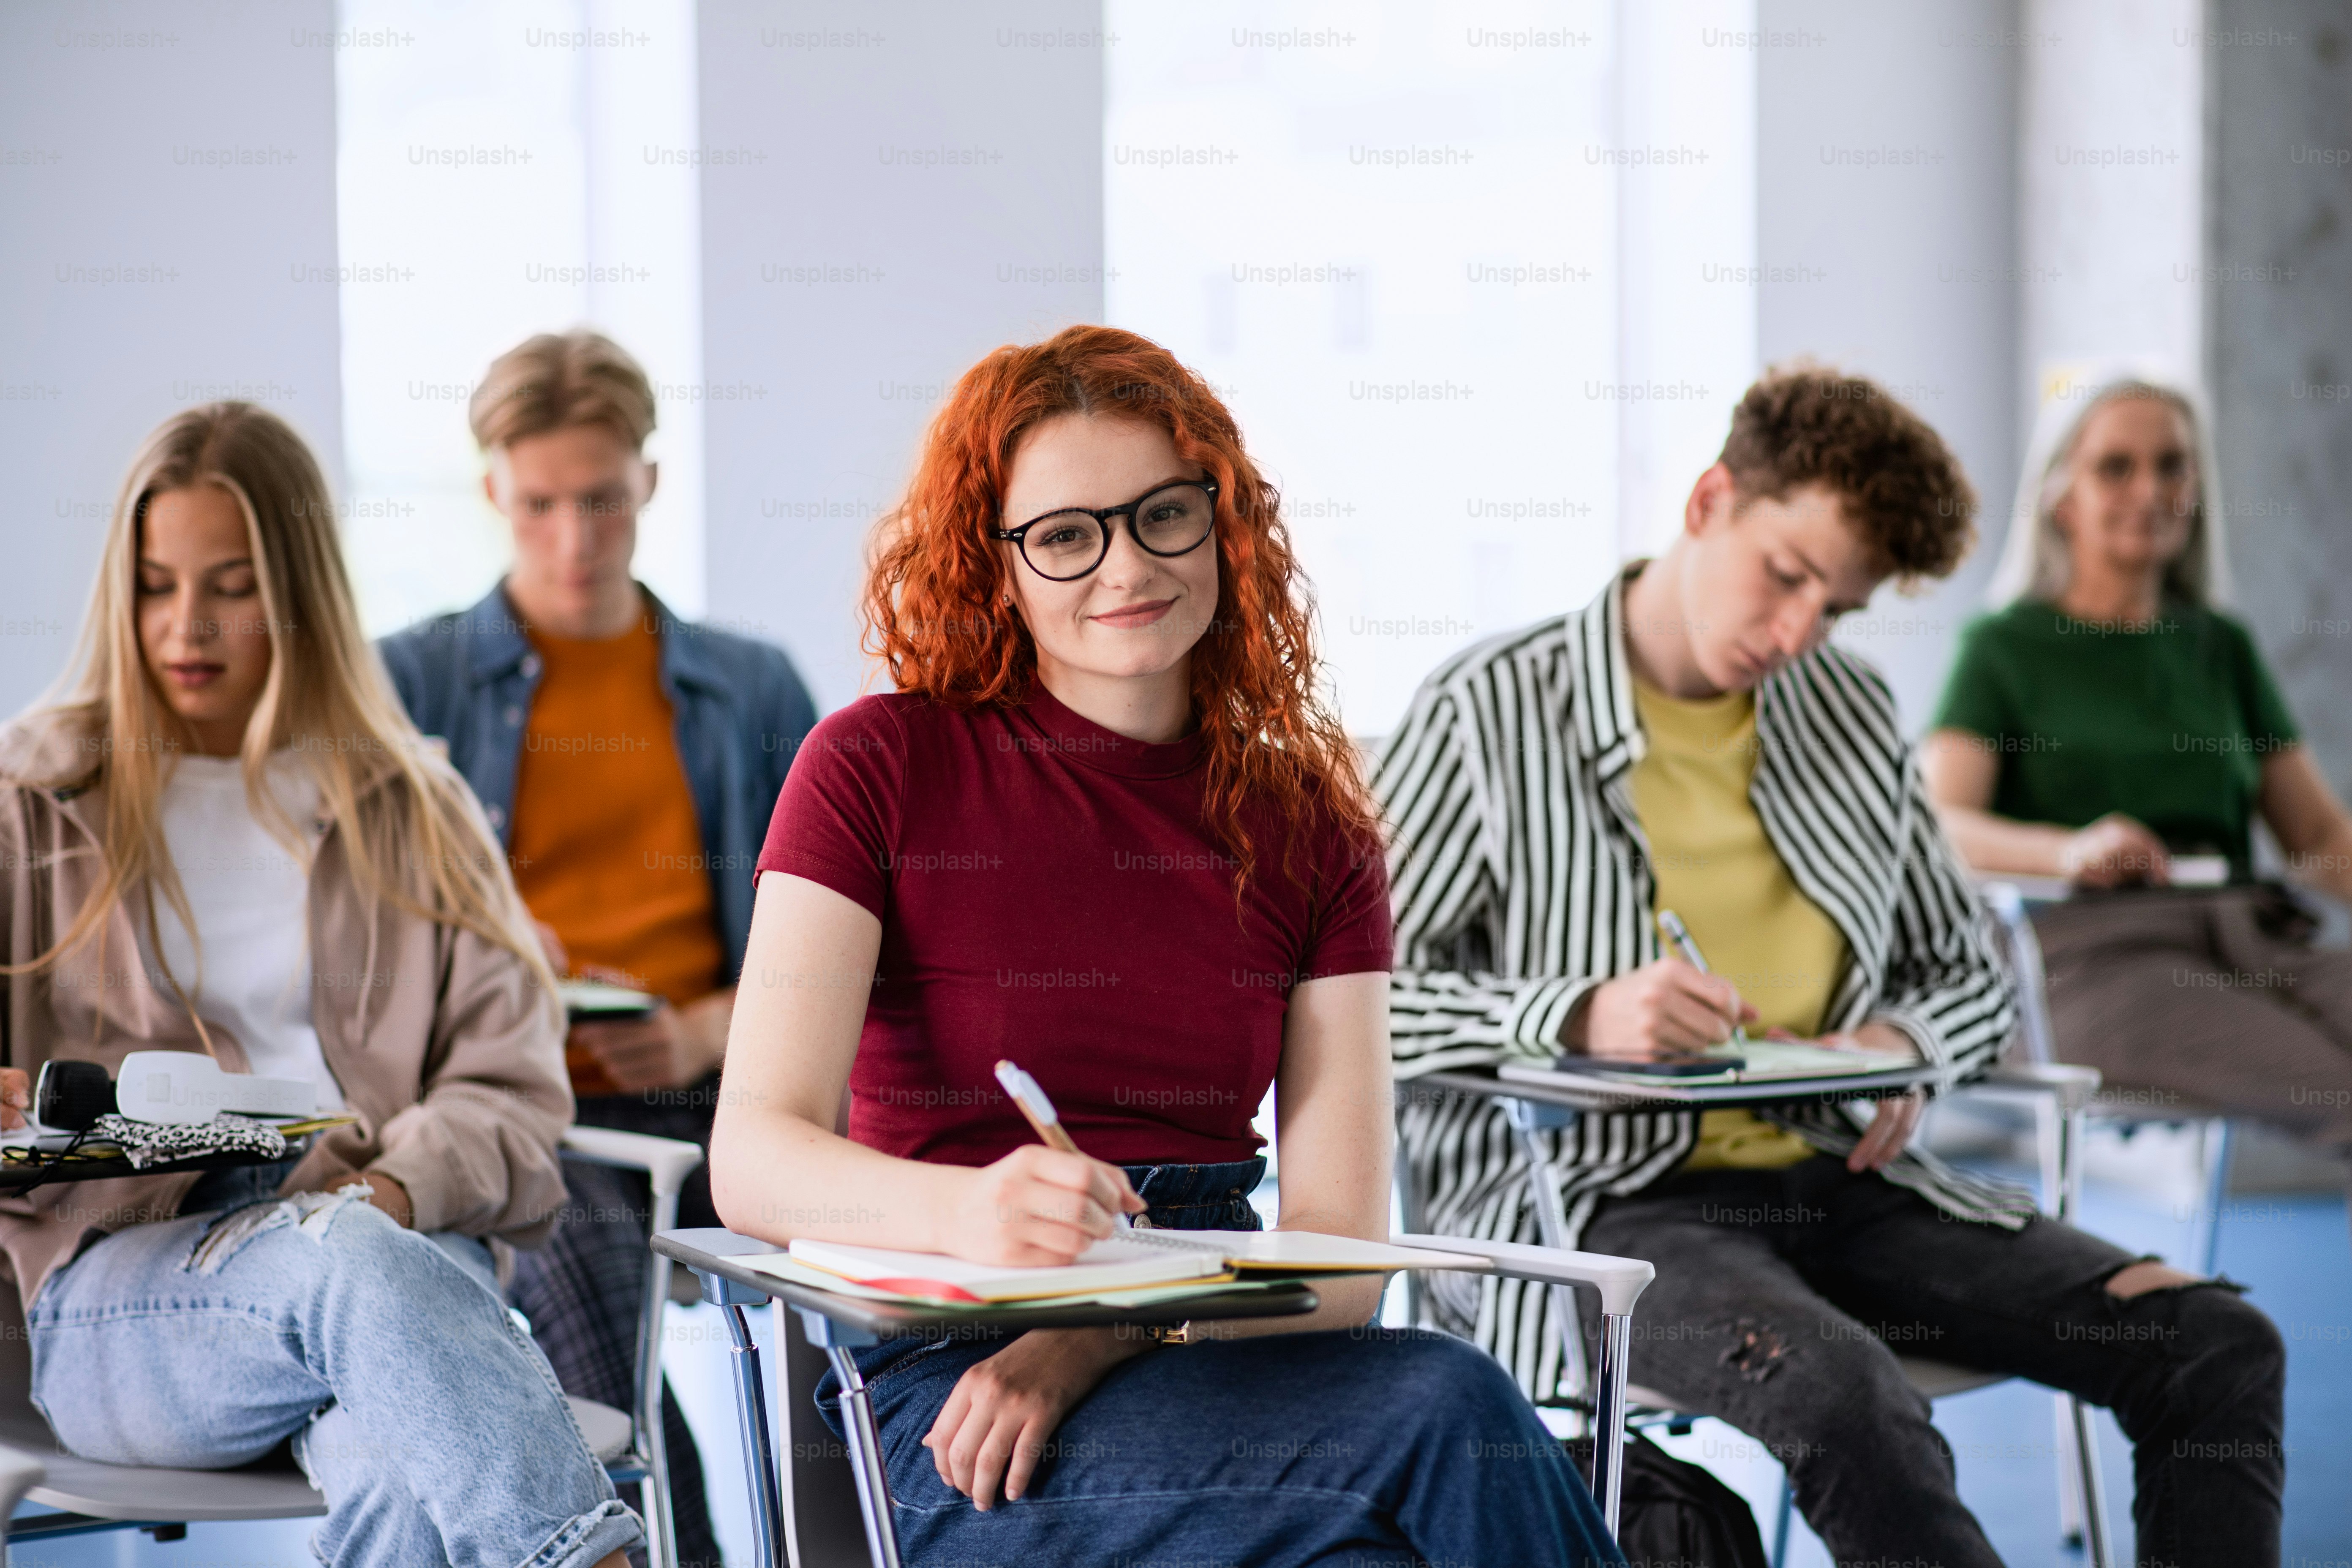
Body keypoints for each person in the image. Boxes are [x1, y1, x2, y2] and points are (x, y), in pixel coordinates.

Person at [708, 325, 1626, 1567]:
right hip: (955, 1408)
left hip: (1211, 1326)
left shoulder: (1314, 825)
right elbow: (753, 1156)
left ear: (1224, 521)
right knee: (1452, 1409)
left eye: (1163, 515)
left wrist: (1096, 1337)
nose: (1126, 565)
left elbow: (1345, 1259)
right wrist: (974, 1215)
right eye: (1067, 534)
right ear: (1000, 564)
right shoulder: (875, 766)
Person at [1377, 366, 2287, 1568]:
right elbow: (1350, 1006)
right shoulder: (1485, 714)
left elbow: (1969, 974)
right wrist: (1580, 1011)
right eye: (1787, 575)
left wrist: (1900, 1045)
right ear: (1709, 503)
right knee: (1845, 1394)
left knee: (2215, 1340)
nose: (1799, 632)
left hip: (1842, 1178)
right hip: (1606, 1214)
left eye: (1840, 608)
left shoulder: (1847, 715)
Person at [0, 402, 640, 1568]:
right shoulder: (30, 802)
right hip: (130, 1309)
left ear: (297, 593)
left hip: (395, 1249)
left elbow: (516, 1098)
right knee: (354, 1274)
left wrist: (390, 1194)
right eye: (154, 585)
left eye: (233, 586)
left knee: (407, 1462)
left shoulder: (415, 806)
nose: (186, 626)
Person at [380, 328, 818, 1567]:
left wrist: (706, 1025)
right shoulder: (410, 685)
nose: (575, 539)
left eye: (603, 500)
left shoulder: (754, 689)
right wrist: (505, 986)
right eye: (540, 506)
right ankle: (674, 1551)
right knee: (559, 1214)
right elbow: (353, 947)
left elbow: (847, 947)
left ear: (650, 485)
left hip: (716, 1090)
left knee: (857, 1240)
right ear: (492, 495)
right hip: (521, 1100)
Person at [1923, 374, 2352, 1172]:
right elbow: (1941, 827)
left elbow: (2319, 837)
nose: (2150, 490)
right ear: (2061, 495)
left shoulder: (2219, 645)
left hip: (2249, 937)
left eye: (2172, 466)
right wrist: (2068, 851)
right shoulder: (2003, 648)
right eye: (2115, 467)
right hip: (2093, 959)